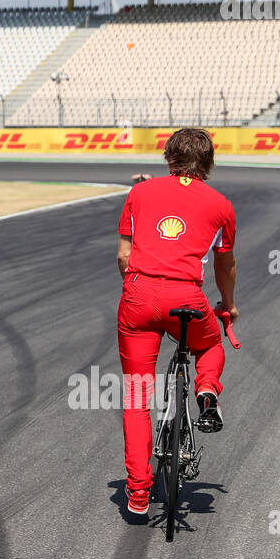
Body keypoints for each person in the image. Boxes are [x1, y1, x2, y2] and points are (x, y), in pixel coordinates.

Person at [116, 127, 238, 517]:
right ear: (209, 163)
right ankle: (206, 391)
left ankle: (137, 493)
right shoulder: (222, 205)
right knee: (211, 345)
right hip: (187, 296)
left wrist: (140, 289)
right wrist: (228, 306)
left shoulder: (139, 193)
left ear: (169, 158)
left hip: (138, 294)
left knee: (137, 397)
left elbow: (123, 255)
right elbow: (225, 264)